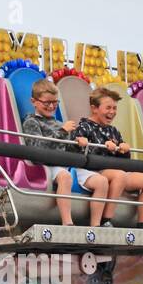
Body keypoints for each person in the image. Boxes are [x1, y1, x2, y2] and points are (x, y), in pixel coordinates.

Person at [20, 78, 111, 227]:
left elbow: (69, 151)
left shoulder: (60, 124)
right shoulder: (31, 122)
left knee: (101, 181)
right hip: (46, 166)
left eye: (55, 103)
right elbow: (37, 148)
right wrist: (62, 132)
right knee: (65, 177)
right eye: (47, 103)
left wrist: (79, 145)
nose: (51, 106)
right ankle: (67, 222)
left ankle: (96, 225)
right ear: (34, 101)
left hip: (67, 164)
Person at [73, 88, 143, 229]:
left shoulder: (113, 131)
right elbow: (80, 152)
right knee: (119, 175)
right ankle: (106, 219)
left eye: (114, 108)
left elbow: (124, 162)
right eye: (108, 108)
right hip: (94, 171)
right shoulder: (84, 127)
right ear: (94, 108)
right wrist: (103, 146)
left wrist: (124, 150)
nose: (112, 112)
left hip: (116, 172)